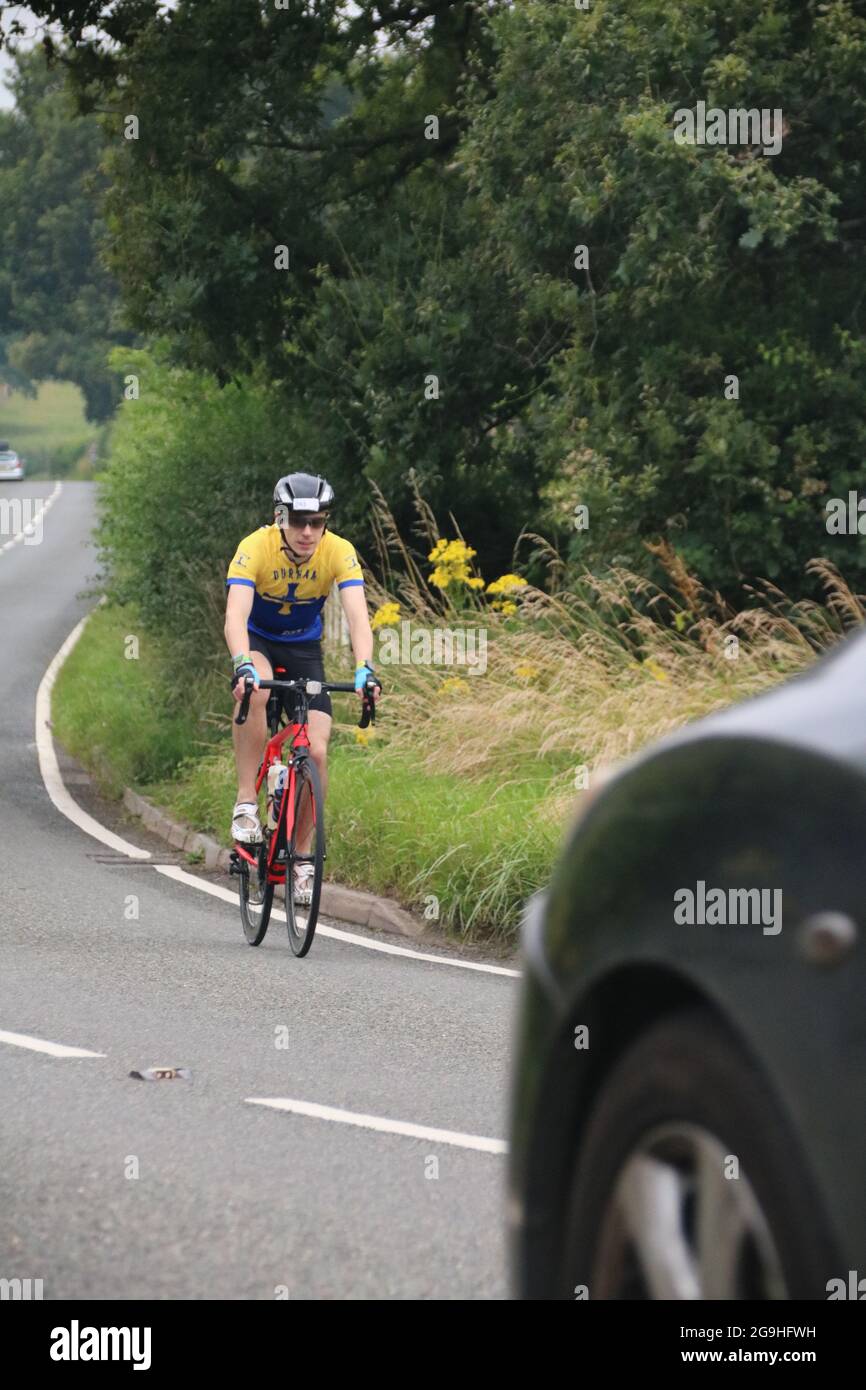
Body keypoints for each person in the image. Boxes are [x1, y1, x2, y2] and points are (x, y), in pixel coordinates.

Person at [224, 472, 380, 903]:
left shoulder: (339, 551)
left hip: (304, 647)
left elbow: (357, 617)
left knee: (317, 751)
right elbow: (235, 615)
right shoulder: (254, 548)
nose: (309, 532)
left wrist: (365, 668)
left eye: (318, 522)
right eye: (299, 522)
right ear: (280, 518)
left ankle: (304, 858)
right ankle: (245, 803)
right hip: (258, 641)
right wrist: (241, 665)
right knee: (255, 689)